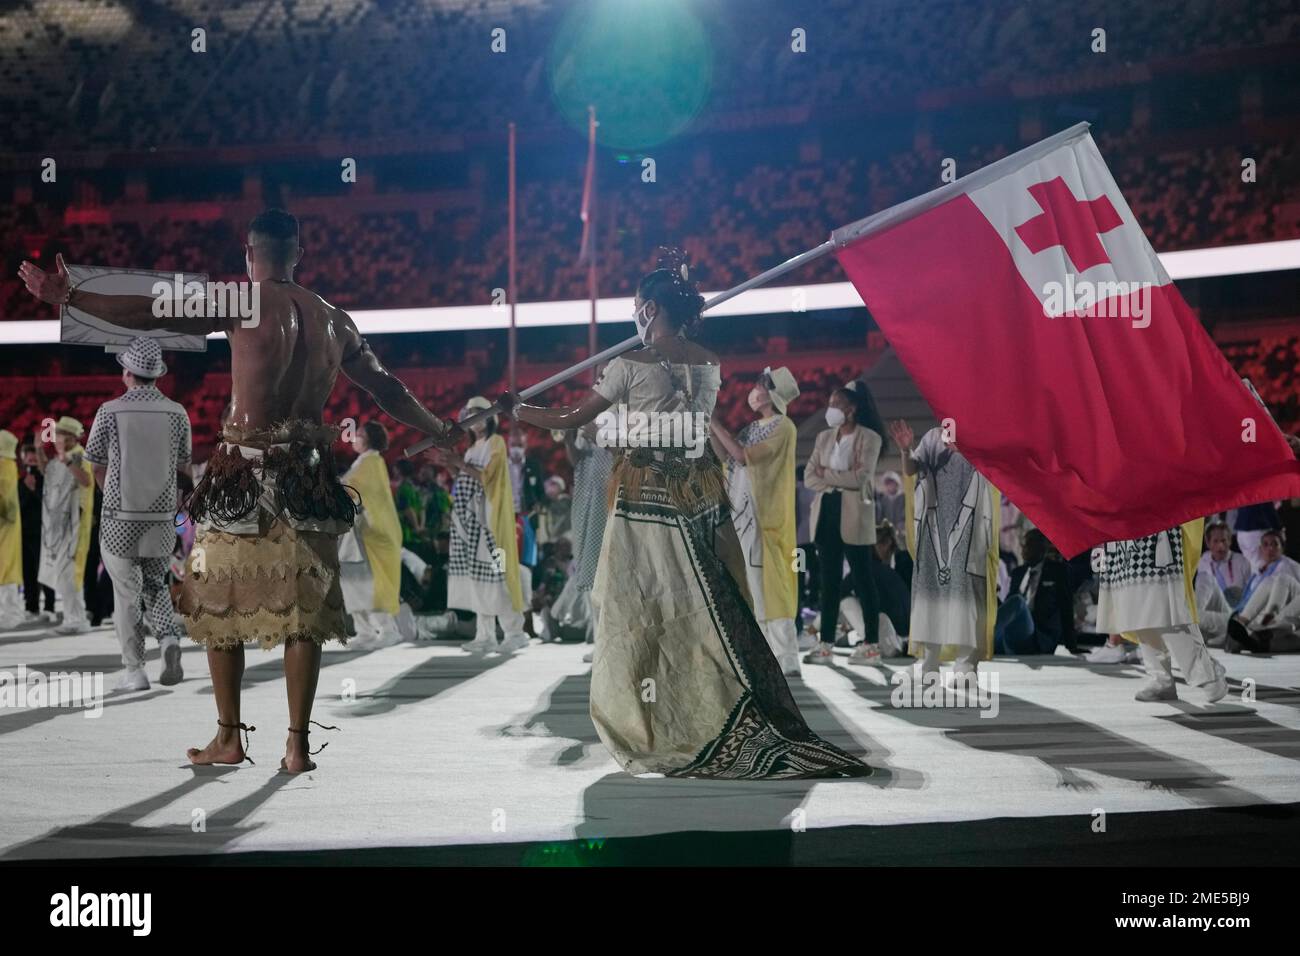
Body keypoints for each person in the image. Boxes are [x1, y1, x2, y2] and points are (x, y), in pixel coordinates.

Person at [19, 210, 457, 771]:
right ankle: (297, 746)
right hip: (308, 475)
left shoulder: (241, 301)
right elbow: (388, 390)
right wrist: (439, 427)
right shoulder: (336, 321)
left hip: (242, 474)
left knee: (214, 605)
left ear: (249, 254)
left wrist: (72, 296)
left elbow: (149, 312)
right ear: (298, 254)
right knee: (304, 614)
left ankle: (229, 737)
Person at [502, 249, 869, 779]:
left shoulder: (628, 365)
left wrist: (519, 409)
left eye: (636, 305)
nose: (634, 314)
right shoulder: (709, 362)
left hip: (646, 498)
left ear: (650, 309)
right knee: (706, 606)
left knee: (637, 609)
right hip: (702, 493)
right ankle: (707, 708)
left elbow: (572, 416)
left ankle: (660, 720)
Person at [82, 337, 193, 691]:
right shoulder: (177, 413)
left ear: (127, 373)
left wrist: (112, 494)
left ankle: (135, 670)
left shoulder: (109, 411)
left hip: (120, 518)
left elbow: (95, 464)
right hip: (161, 517)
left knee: (127, 593)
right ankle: (169, 638)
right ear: (157, 374)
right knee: (156, 583)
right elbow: (184, 469)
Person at [888, 418, 1000, 683]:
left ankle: (966, 665)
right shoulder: (932, 437)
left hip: (971, 528)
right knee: (930, 593)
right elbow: (911, 469)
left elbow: (998, 468)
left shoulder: (982, 433)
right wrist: (905, 449)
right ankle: (929, 663)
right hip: (933, 526)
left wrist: (967, 449)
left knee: (967, 594)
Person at [710, 365, 803, 675]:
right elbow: (727, 457)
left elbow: (742, 456)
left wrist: (715, 422)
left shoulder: (784, 427)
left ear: (772, 393)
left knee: (773, 587)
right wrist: (710, 428)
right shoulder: (751, 428)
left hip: (766, 519)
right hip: (743, 514)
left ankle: (786, 656)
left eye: (761, 385)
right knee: (751, 586)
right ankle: (762, 654)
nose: (755, 390)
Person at [804, 381, 887, 667]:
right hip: (826, 511)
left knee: (863, 580)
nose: (831, 409)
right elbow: (809, 477)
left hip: (855, 514)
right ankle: (825, 643)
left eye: (837, 404)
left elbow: (860, 478)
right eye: (830, 404)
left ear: (852, 409)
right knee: (828, 582)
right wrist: (836, 479)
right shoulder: (824, 437)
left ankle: (871, 645)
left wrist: (826, 474)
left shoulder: (870, 438)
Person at [1097, 521, 1227, 703]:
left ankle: (1207, 674)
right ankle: (1160, 679)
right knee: (1135, 607)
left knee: (1166, 605)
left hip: (1159, 525)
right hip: (1123, 527)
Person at [437, 396, 529, 655]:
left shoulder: (495, 442)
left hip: (491, 523)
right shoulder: (471, 448)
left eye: (478, 413)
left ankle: (515, 633)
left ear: (490, 417)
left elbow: (489, 478)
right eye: (469, 413)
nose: (473, 418)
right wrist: (452, 466)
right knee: (478, 578)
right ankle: (485, 635)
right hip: (472, 524)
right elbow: (466, 479)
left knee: (500, 576)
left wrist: (459, 464)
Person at [543, 422, 612, 650]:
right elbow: (577, 461)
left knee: (605, 574)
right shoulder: (586, 419)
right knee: (588, 574)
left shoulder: (621, 415)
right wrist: (568, 441)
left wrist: (599, 436)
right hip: (586, 502)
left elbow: (627, 455)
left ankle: (605, 643)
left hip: (609, 500)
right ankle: (598, 642)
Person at [338, 420, 406, 648]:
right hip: (359, 534)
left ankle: (389, 630)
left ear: (369, 439)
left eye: (359, 433)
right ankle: (364, 632)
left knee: (375, 584)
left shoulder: (372, 462)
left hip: (374, 534)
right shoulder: (363, 461)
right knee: (353, 582)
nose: (354, 437)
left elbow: (354, 490)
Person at [35, 416, 94, 634]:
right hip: (60, 527)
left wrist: (66, 460)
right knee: (63, 574)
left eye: (60, 434)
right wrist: (39, 450)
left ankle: (77, 620)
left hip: (74, 526)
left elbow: (86, 480)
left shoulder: (78, 455)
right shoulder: (64, 457)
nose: (56, 438)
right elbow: (47, 473)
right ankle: (74, 618)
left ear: (70, 437)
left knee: (70, 574)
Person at [994, 528, 1075, 656]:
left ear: (1041, 548)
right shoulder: (1018, 573)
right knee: (987, 595)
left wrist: (1072, 645)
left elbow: (1066, 608)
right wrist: (994, 597)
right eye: (1023, 545)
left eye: (1027, 545)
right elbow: (1008, 609)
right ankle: (983, 638)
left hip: (1036, 638)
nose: (1023, 549)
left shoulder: (1057, 572)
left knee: (1018, 602)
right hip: (1009, 638)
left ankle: (984, 637)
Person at [1223, 529, 1300, 653]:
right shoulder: (1258, 571)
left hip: (1284, 615)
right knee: (1273, 580)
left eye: (1274, 544)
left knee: (1282, 579)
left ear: (1282, 547)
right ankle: (1247, 629)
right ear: (1260, 549)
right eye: (1266, 545)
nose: (1270, 548)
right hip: (1274, 619)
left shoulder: (1290, 566)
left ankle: (1255, 635)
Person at [18, 442, 55, 621]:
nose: (31, 464)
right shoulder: (20, 483)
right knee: (28, 572)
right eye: (29, 461)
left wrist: (34, 490)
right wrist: (26, 490)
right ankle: (31, 606)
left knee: (46, 571)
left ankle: (49, 607)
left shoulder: (47, 481)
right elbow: (18, 509)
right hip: (25, 534)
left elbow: (49, 505)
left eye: (34, 461)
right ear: (23, 461)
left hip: (44, 534)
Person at [1197, 521, 1251, 606]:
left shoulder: (1242, 562)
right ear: (1208, 543)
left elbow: (1252, 591)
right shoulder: (1203, 561)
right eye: (1215, 541)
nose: (1220, 546)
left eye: (1223, 540)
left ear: (1230, 541)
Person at [0, 430, 21, 628]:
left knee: (6, 567)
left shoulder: (5, 465)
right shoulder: (9, 465)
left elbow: (6, 500)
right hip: (7, 523)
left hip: (5, 524)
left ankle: (11, 614)